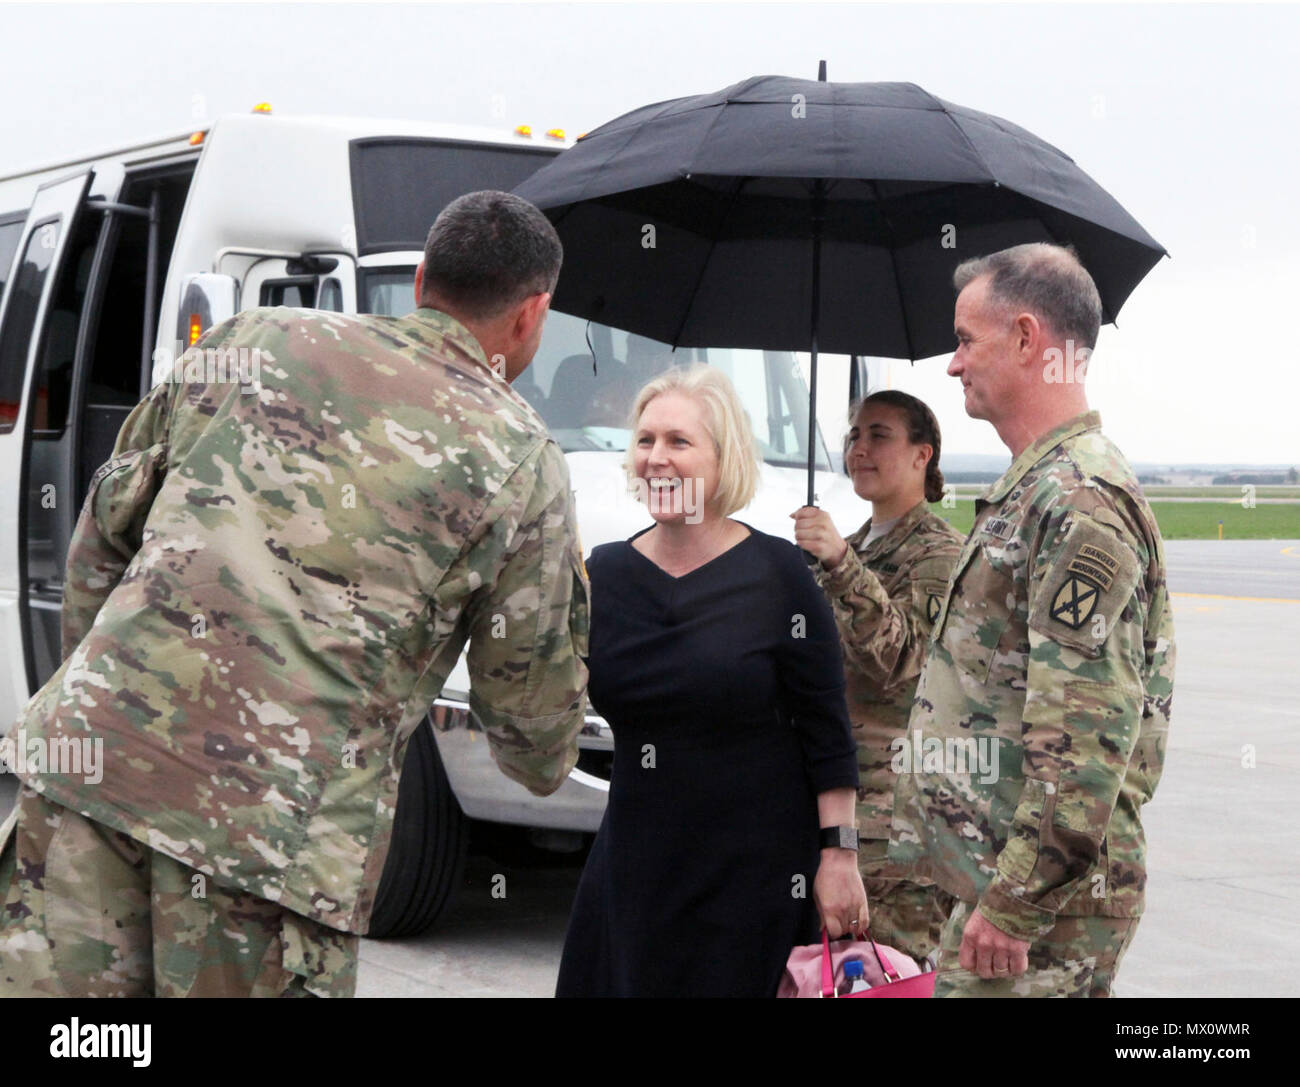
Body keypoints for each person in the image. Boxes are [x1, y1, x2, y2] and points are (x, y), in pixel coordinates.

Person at [0, 190, 589, 998]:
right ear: (532, 315)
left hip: (87, 777)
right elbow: (527, 719)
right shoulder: (521, 456)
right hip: (268, 843)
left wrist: (107, 698)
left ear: (421, 279)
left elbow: (104, 531)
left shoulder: (250, 339)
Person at [889, 243, 1176, 998]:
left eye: (964, 339)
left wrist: (1017, 904)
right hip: (1006, 887)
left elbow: (1082, 733)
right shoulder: (1038, 487)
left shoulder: (1077, 498)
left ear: (1025, 338)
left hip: (1042, 911)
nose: (952, 364)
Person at [555, 364, 867, 998]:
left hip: (753, 873)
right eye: (645, 441)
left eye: (679, 441)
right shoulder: (605, 574)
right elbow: (553, 692)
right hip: (637, 860)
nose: (656, 458)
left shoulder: (779, 573)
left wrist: (839, 856)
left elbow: (827, 729)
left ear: (723, 461)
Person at [791, 390, 964, 965]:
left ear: (923, 455)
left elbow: (904, 662)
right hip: (832, 812)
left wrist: (841, 567)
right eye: (853, 436)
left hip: (895, 832)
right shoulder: (853, 547)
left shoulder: (939, 555)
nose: (859, 449)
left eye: (880, 435)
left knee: (889, 975)